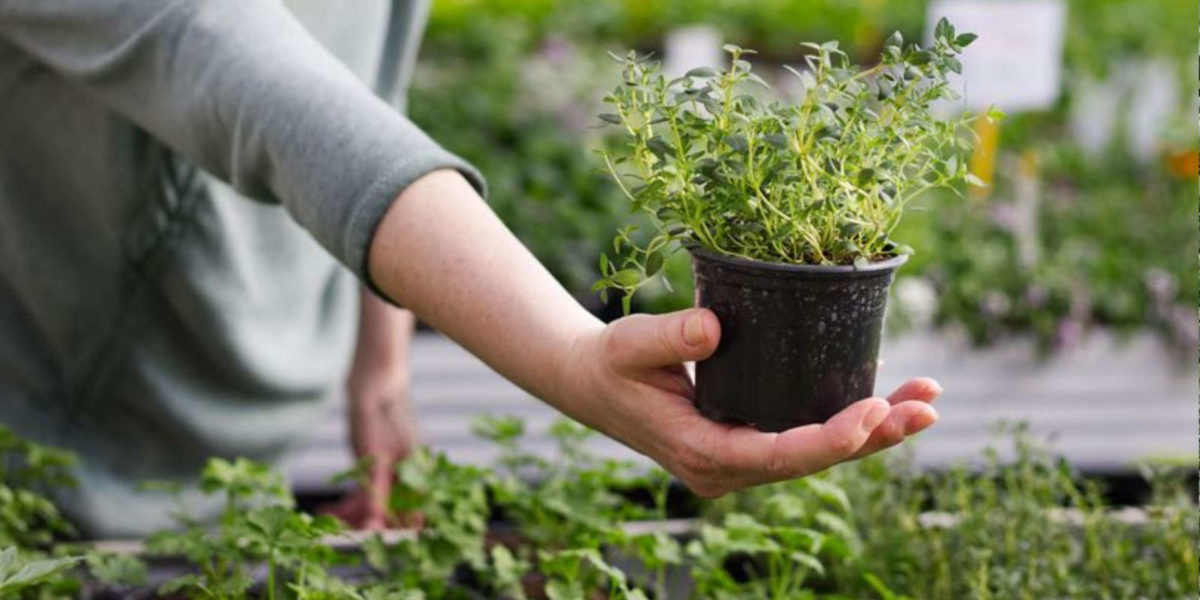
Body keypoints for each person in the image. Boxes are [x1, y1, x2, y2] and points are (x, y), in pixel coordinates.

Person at [0, 0, 940, 538]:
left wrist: (381, 367)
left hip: (242, 429)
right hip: (50, 452)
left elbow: (369, 83)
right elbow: (256, 87)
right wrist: (575, 360)